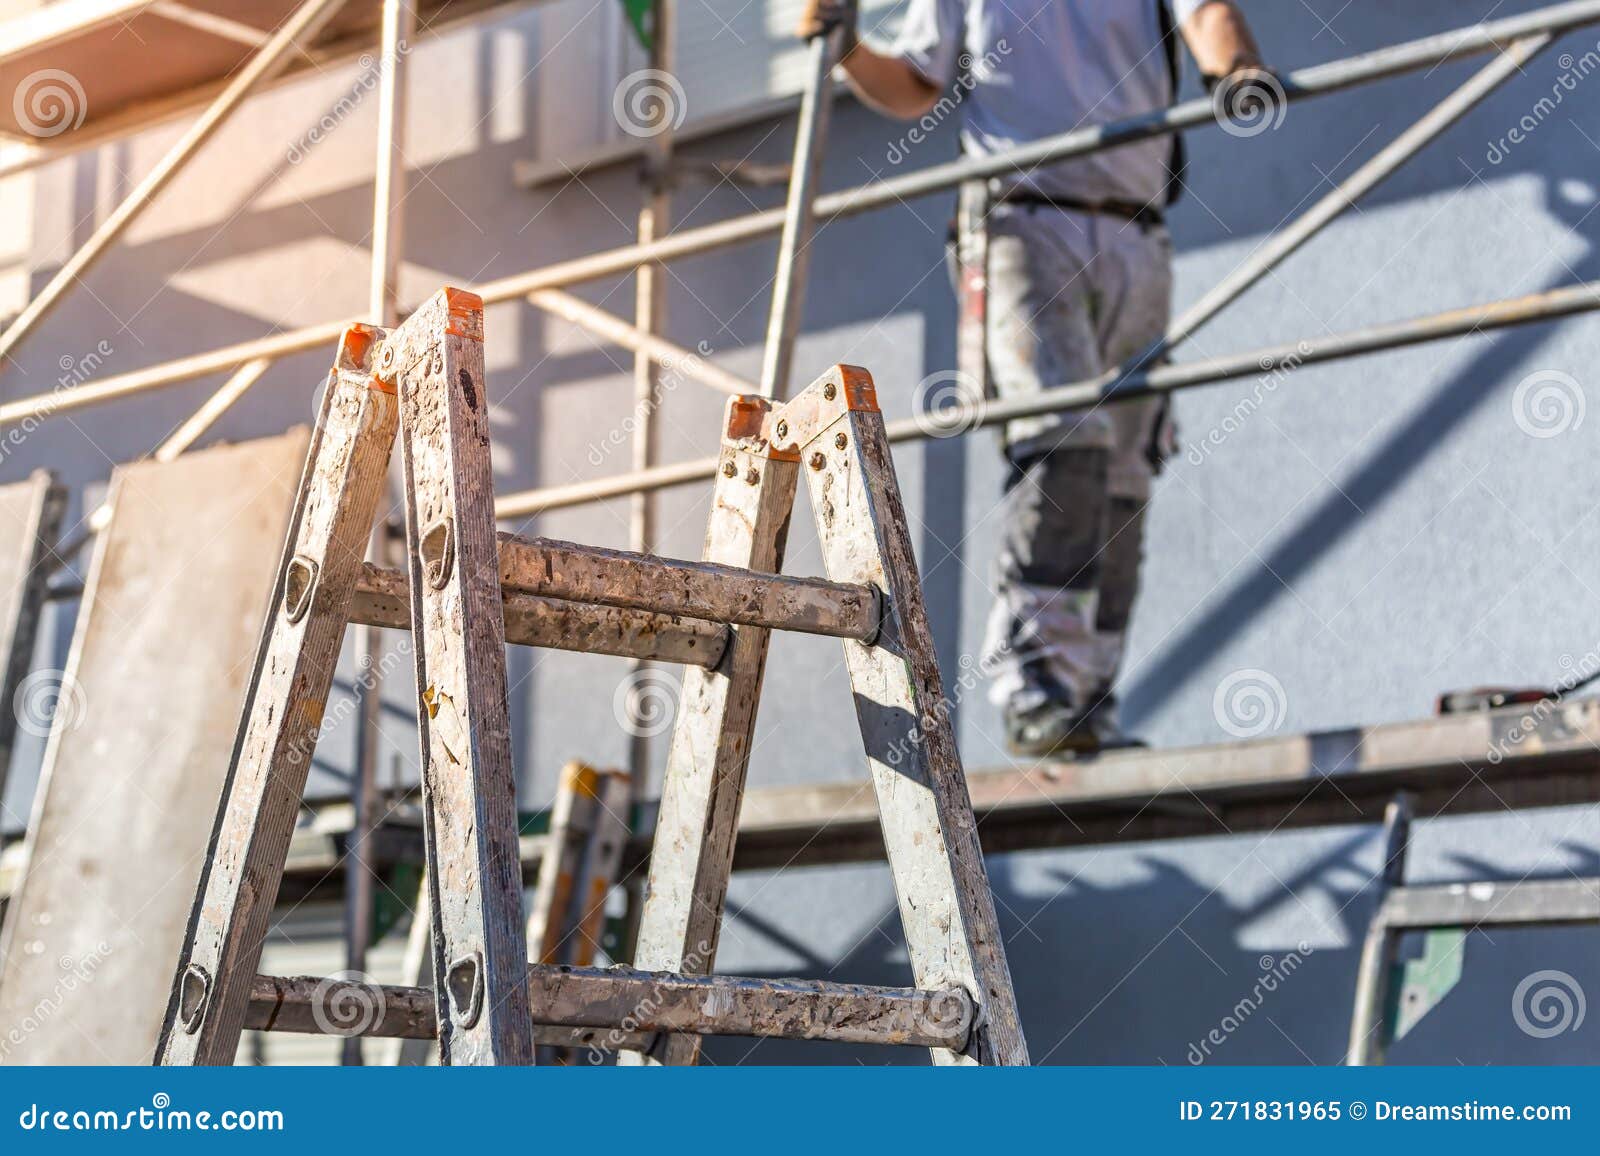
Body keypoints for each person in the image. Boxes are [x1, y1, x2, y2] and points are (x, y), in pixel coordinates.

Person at [797, 0, 1271, 755]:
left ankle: (1084, 700)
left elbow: (1207, 12)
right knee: (1062, 449)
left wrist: (1236, 71)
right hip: (1023, 222)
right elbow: (919, 82)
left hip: (1134, 228)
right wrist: (849, 48)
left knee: (1123, 473)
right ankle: (1035, 689)